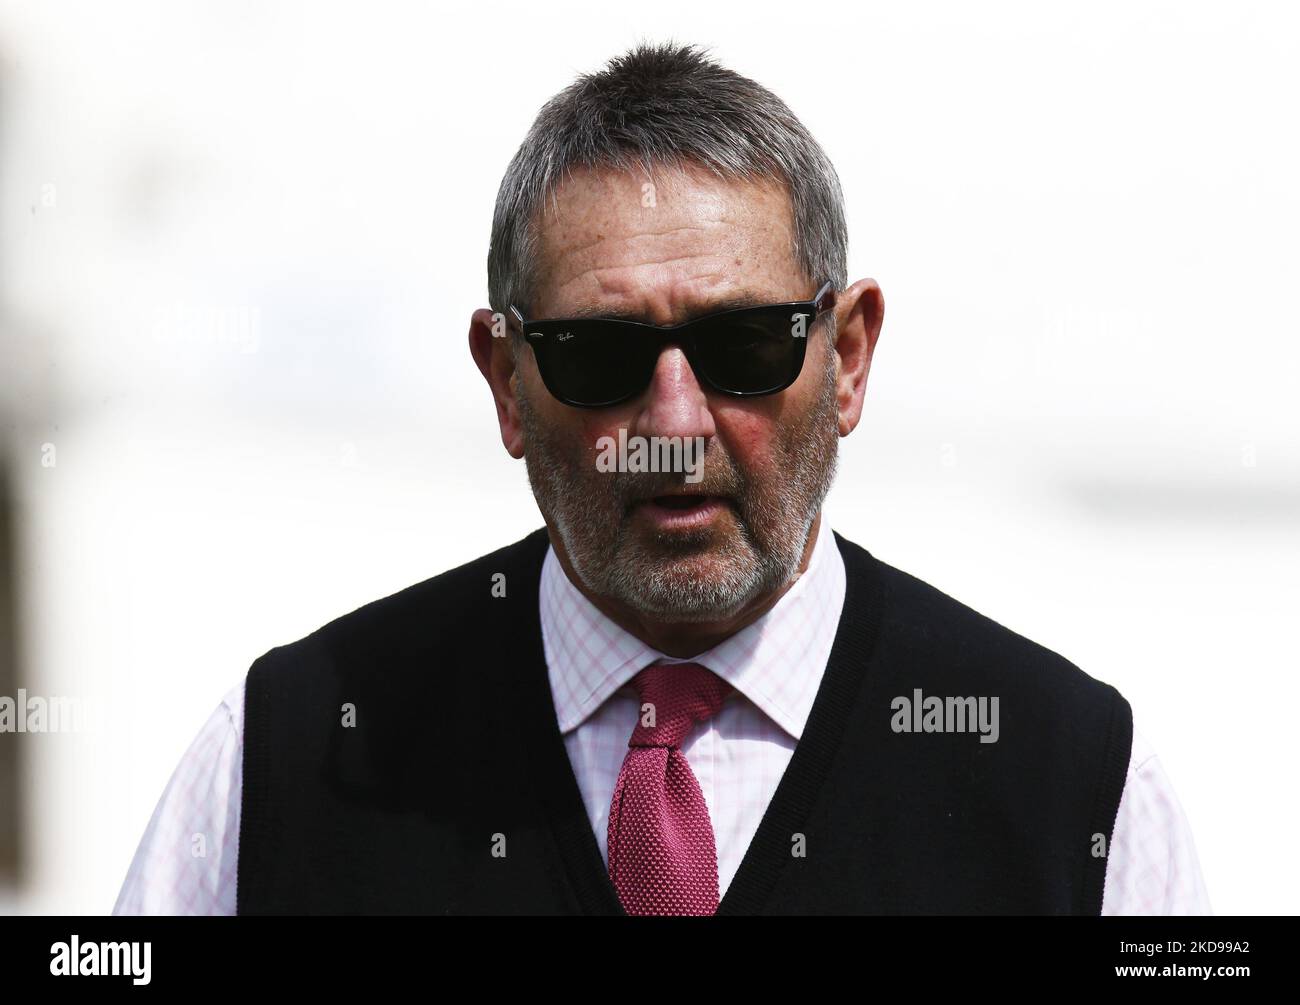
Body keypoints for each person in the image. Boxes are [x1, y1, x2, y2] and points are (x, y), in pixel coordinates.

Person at [114, 41, 1209, 916]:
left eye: (745, 347)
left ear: (849, 357)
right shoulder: (293, 759)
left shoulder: (1071, 784)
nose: (674, 425)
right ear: (506, 379)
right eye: (600, 355)